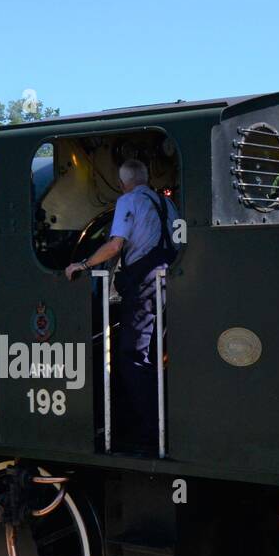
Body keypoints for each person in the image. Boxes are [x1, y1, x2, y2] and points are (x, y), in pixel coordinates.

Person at [65, 159, 177, 449]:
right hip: (169, 284)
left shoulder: (129, 201)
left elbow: (115, 245)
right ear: (147, 176)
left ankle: (149, 431)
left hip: (143, 286)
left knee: (132, 357)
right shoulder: (168, 205)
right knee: (154, 354)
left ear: (122, 183)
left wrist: (83, 264)